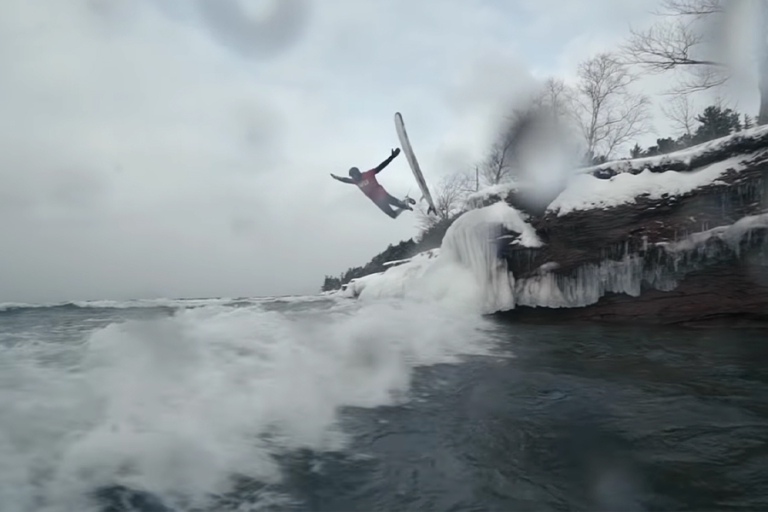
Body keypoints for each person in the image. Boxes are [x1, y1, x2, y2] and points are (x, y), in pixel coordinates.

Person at [330, 148, 416, 219]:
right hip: (377, 201)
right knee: (393, 215)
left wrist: (392, 157)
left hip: (383, 195)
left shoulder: (368, 174)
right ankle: (405, 204)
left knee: (402, 206)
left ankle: (406, 202)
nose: (354, 178)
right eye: (352, 177)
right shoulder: (355, 181)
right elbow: (345, 180)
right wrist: (337, 178)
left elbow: (381, 166)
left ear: (358, 173)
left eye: (354, 176)